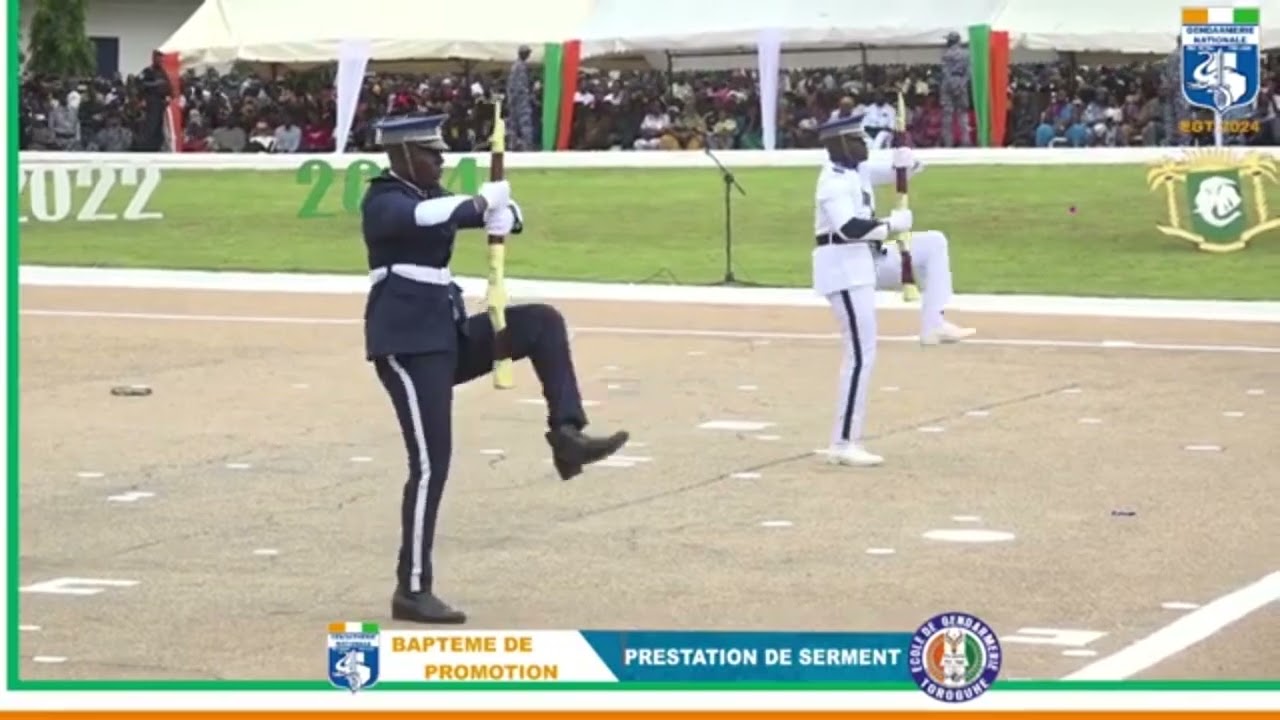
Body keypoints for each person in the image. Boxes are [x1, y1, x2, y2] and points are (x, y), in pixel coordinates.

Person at [360, 114, 630, 624]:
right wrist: (484, 204)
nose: (440, 160)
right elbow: (436, 216)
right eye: (430, 152)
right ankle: (412, 588)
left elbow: (480, 212)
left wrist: (507, 214)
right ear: (402, 156)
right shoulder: (383, 201)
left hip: (447, 336)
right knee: (430, 464)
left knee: (542, 323)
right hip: (407, 347)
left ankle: (567, 433)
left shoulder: (427, 196)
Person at [812, 114, 973, 468]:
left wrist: (907, 159)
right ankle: (842, 442)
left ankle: (934, 323)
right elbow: (850, 228)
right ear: (839, 145)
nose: (865, 146)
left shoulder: (859, 171)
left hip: (866, 262)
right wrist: (890, 225)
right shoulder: (833, 182)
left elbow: (903, 171)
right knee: (860, 355)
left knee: (933, 244)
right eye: (857, 140)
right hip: (844, 269)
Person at [940, 32, 972, 147]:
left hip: (948, 84)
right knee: (962, 114)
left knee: (947, 116)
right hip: (961, 82)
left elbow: (945, 72)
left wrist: (952, 84)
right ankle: (966, 141)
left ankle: (948, 143)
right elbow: (969, 72)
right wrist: (961, 84)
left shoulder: (946, 54)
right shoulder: (966, 54)